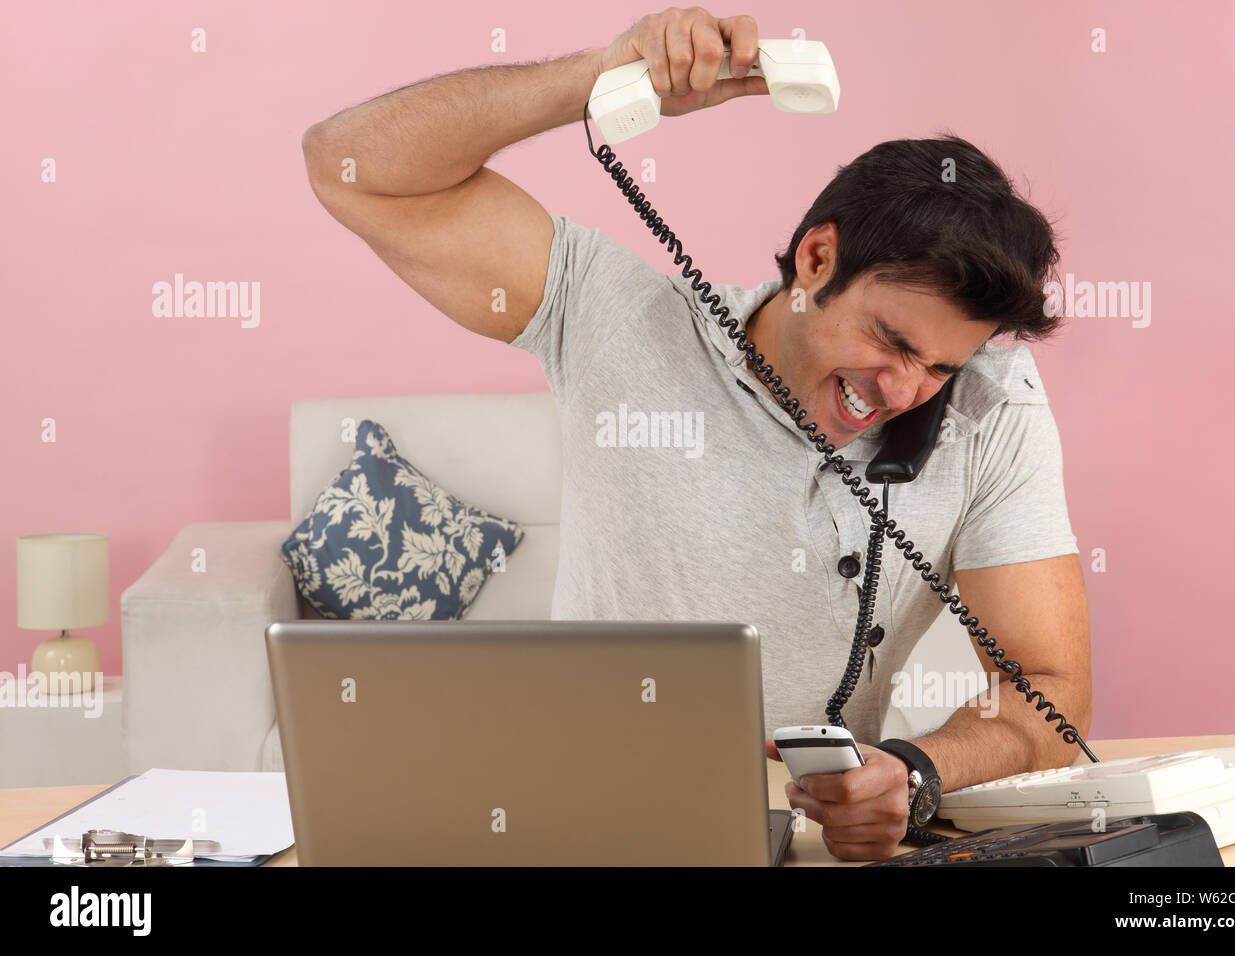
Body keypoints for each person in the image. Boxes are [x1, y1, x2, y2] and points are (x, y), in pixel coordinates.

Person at [301, 6, 1092, 861]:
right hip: (567, 819)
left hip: (793, 842)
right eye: (892, 342)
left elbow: (1048, 691)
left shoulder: (988, 411)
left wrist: (914, 771)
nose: (903, 391)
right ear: (817, 259)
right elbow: (351, 167)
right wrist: (599, 78)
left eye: (939, 367)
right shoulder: (612, 318)